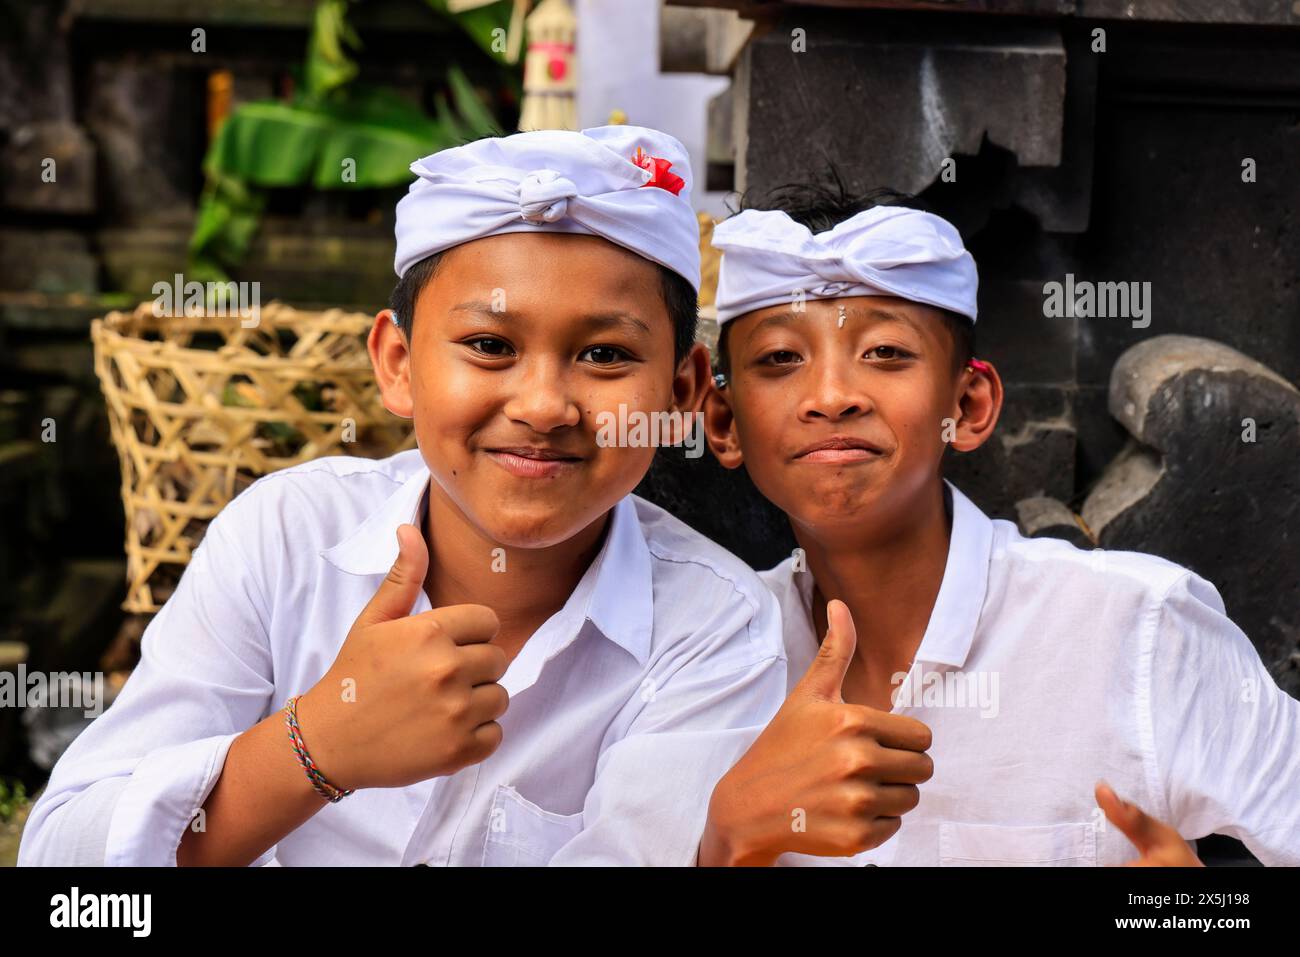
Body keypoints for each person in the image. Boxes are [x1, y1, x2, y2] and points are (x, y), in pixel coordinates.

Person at [19, 126, 787, 867]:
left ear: (683, 390)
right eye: (490, 345)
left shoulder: (712, 624)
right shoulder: (283, 540)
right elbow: (66, 866)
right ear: (396, 364)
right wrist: (315, 746)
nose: (545, 405)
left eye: (605, 354)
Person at [695, 184, 1299, 867]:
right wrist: (726, 840)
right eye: (781, 359)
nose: (833, 396)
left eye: (886, 352)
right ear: (724, 422)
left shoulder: (1138, 627)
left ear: (971, 402)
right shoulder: (705, 657)